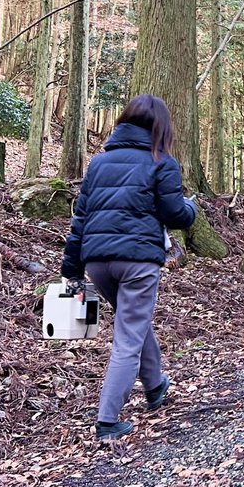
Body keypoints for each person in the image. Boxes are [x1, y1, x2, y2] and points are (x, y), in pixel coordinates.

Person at [61, 94, 198, 441]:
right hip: (137, 261)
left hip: (97, 262)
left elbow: (81, 218)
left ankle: (155, 386)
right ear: (161, 127)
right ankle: (108, 420)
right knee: (127, 337)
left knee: (133, 321)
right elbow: (173, 214)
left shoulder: (99, 164)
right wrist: (191, 209)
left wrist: (72, 267)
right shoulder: (162, 161)